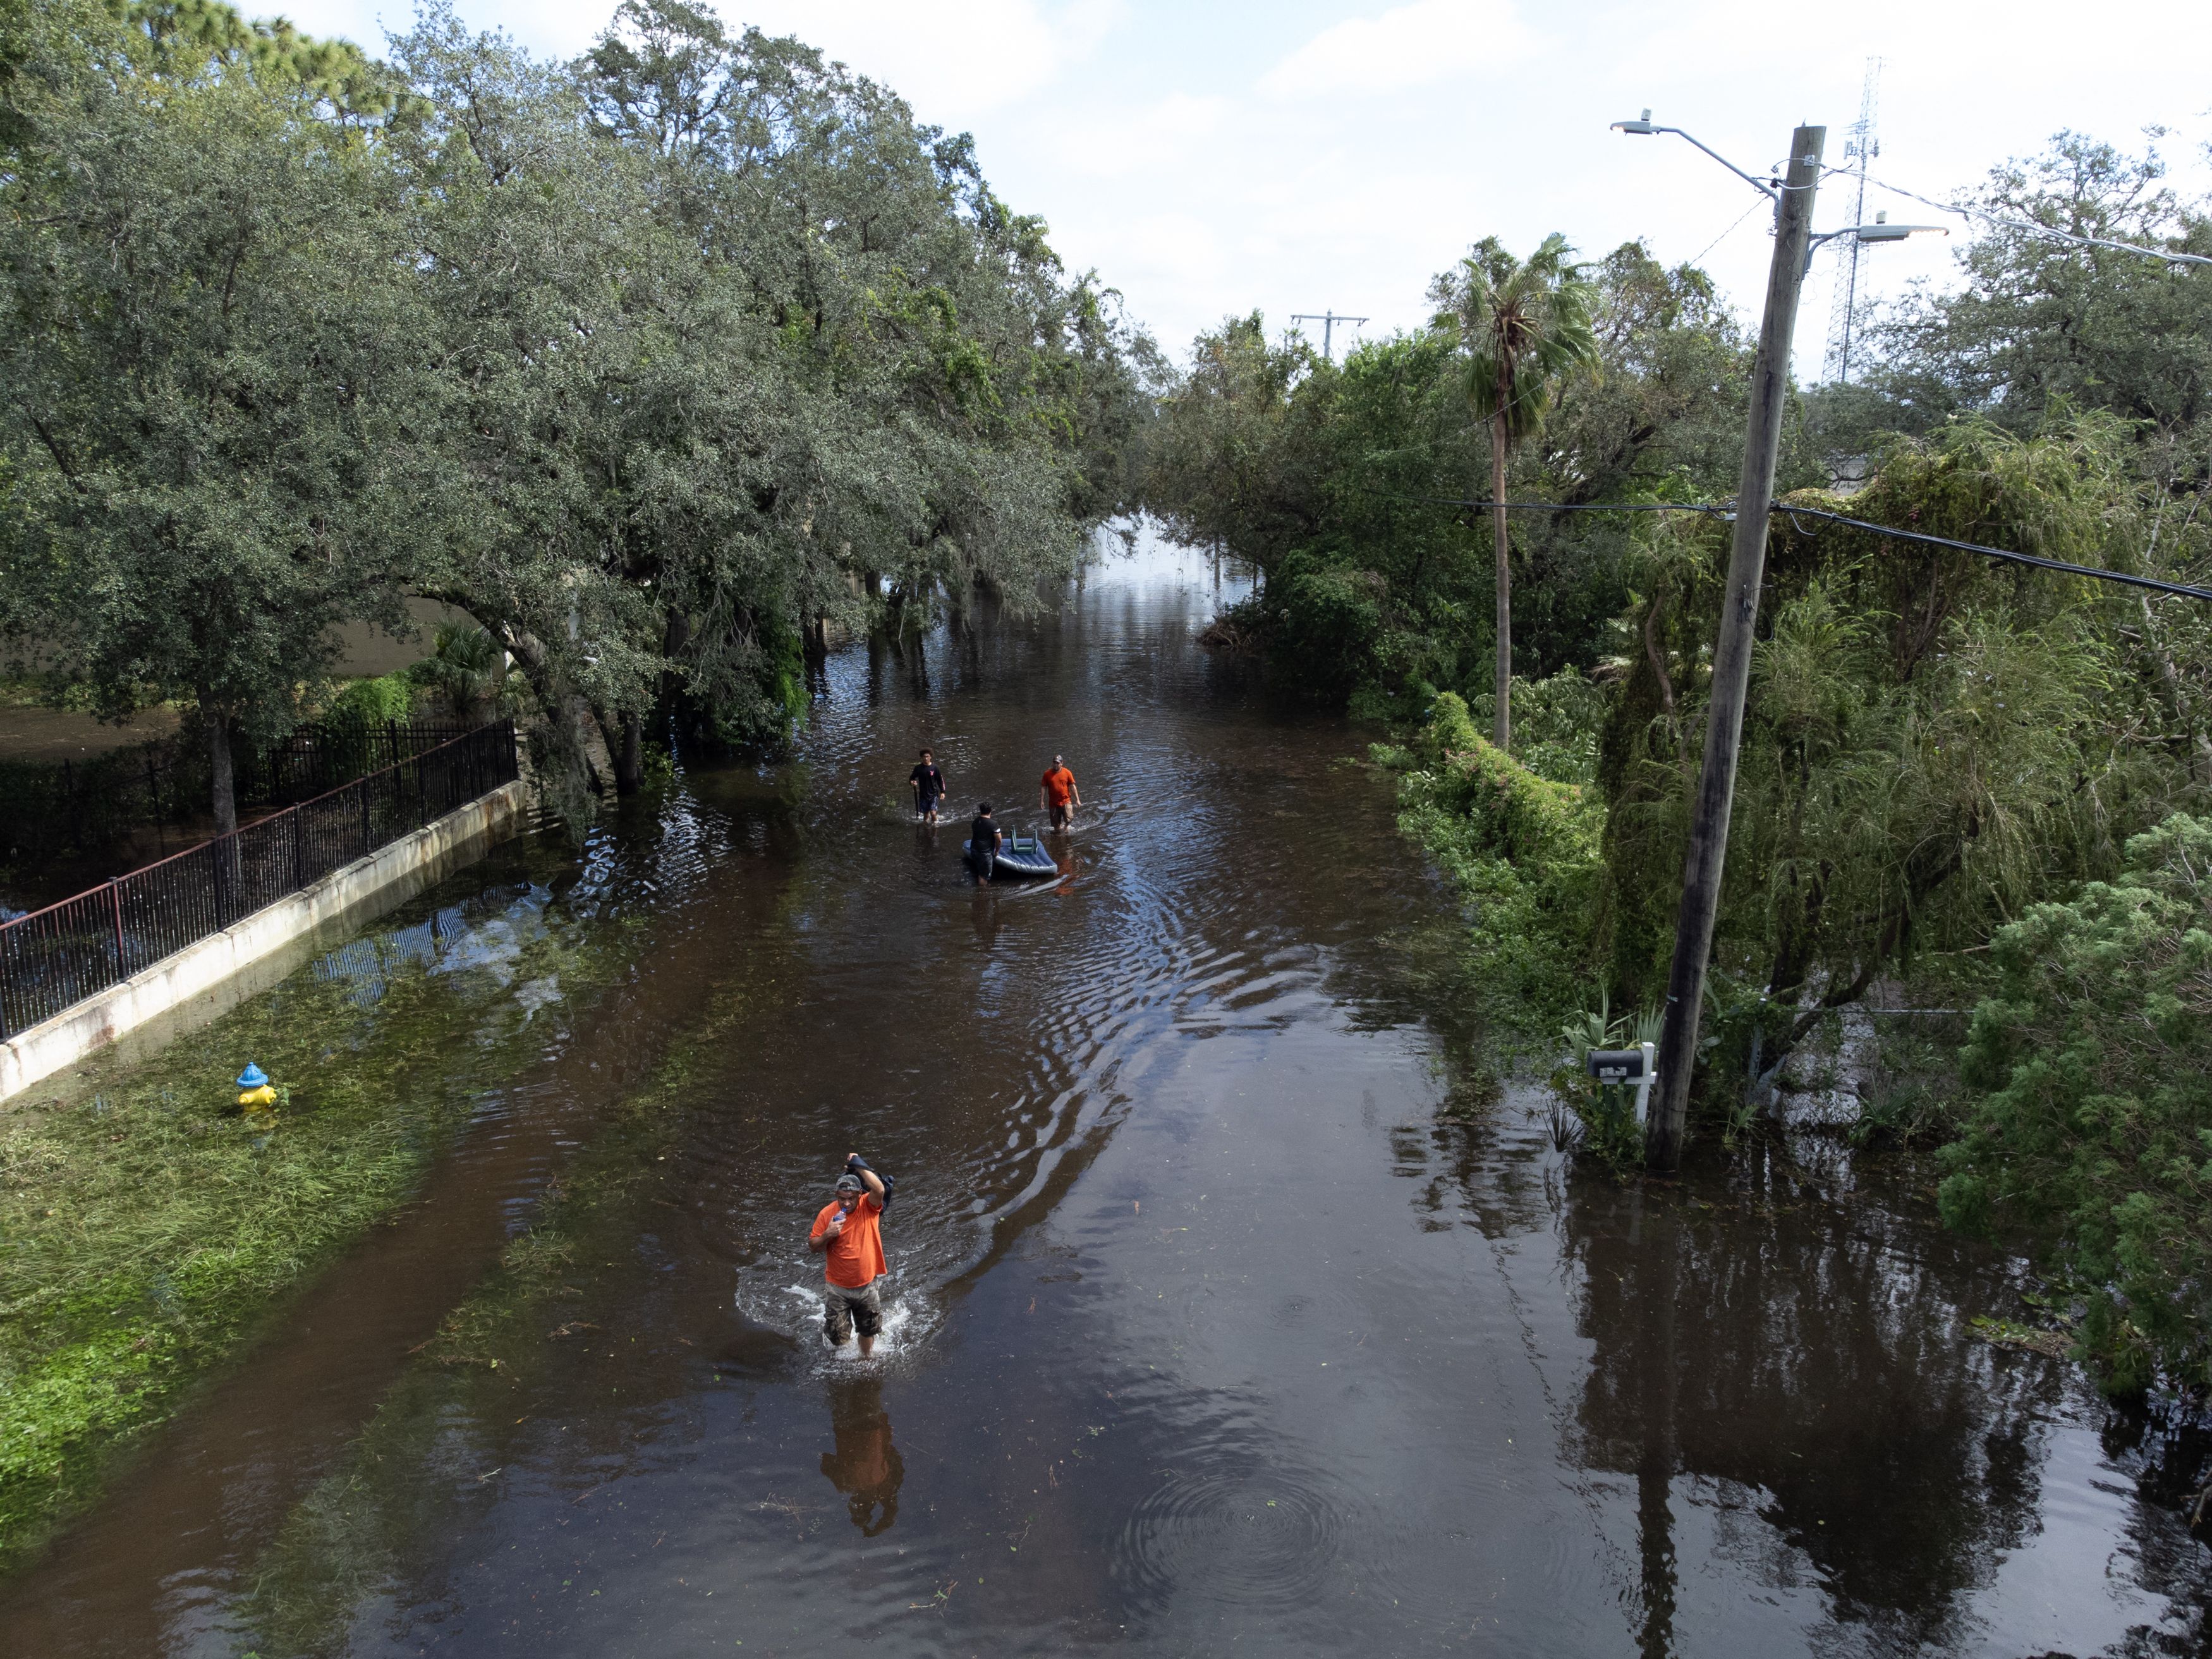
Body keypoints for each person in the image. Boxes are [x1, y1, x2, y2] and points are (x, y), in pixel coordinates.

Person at [808, 1153, 889, 1357]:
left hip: (866, 1285)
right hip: (837, 1288)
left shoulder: (868, 1206)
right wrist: (827, 1234)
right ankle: (843, 1357)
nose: (846, 1203)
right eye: (841, 1198)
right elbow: (813, 1246)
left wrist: (858, 1164)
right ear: (836, 1195)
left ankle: (866, 1359)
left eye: (851, 1198)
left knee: (868, 1329)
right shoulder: (827, 1213)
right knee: (838, 1336)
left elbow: (880, 1189)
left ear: (859, 1194)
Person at [1039, 753, 1081, 831]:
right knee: (1056, 826)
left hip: (1066, 800)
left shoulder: (1067, 772)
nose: (1056, 765)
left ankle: (1066, 826)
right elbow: (1044, 787)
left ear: (1062, 763)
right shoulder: (1047, 774)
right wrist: (1042, 800)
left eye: (1058, 763)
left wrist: (1077, 799)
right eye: (1054, 763)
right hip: (1053, 803)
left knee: (1069, 818)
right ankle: (1058, 831)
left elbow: (1072, 786)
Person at [908, 748, 945, 825]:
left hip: (933, 794)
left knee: (933, 813)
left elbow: (940, 780)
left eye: (927, 756)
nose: (926, 758)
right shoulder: (918, 768)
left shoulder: (935, 768)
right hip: (923, 795)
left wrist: (942, 792)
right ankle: (926, 829)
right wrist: (912, 782)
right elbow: (912, 778)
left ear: (931, 757)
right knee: (926, 816)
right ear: (922, 757)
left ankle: (935, 829)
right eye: (924, 757)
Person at [966, 801, 1000, 884]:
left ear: (980, 810)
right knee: (984, 876)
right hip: (985, 853)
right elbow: (999, 840)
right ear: (991, 810)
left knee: (980, 870)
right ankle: (983, 891)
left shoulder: (975, 821)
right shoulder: (993, 824)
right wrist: (997, 851)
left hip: (974, 850)